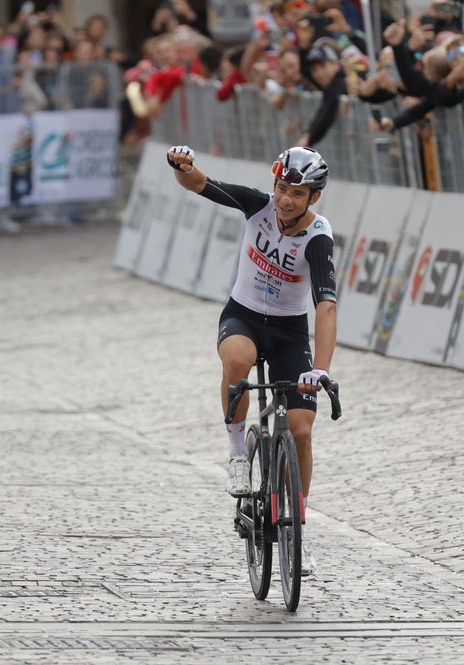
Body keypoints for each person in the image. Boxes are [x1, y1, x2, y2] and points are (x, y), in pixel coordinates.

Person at [166, 144, 338, 577]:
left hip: (288, 332)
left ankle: (297, 527)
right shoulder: (258, 207)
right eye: (281, 188)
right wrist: (181, 167)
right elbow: (200, 183)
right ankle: (238, 453)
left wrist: (320, 369)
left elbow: (327, 306)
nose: (284, 200)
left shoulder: (318, 238)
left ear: (313, 198)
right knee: (238, 360)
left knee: (300, 429)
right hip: (242, 316)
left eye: (296, 195)